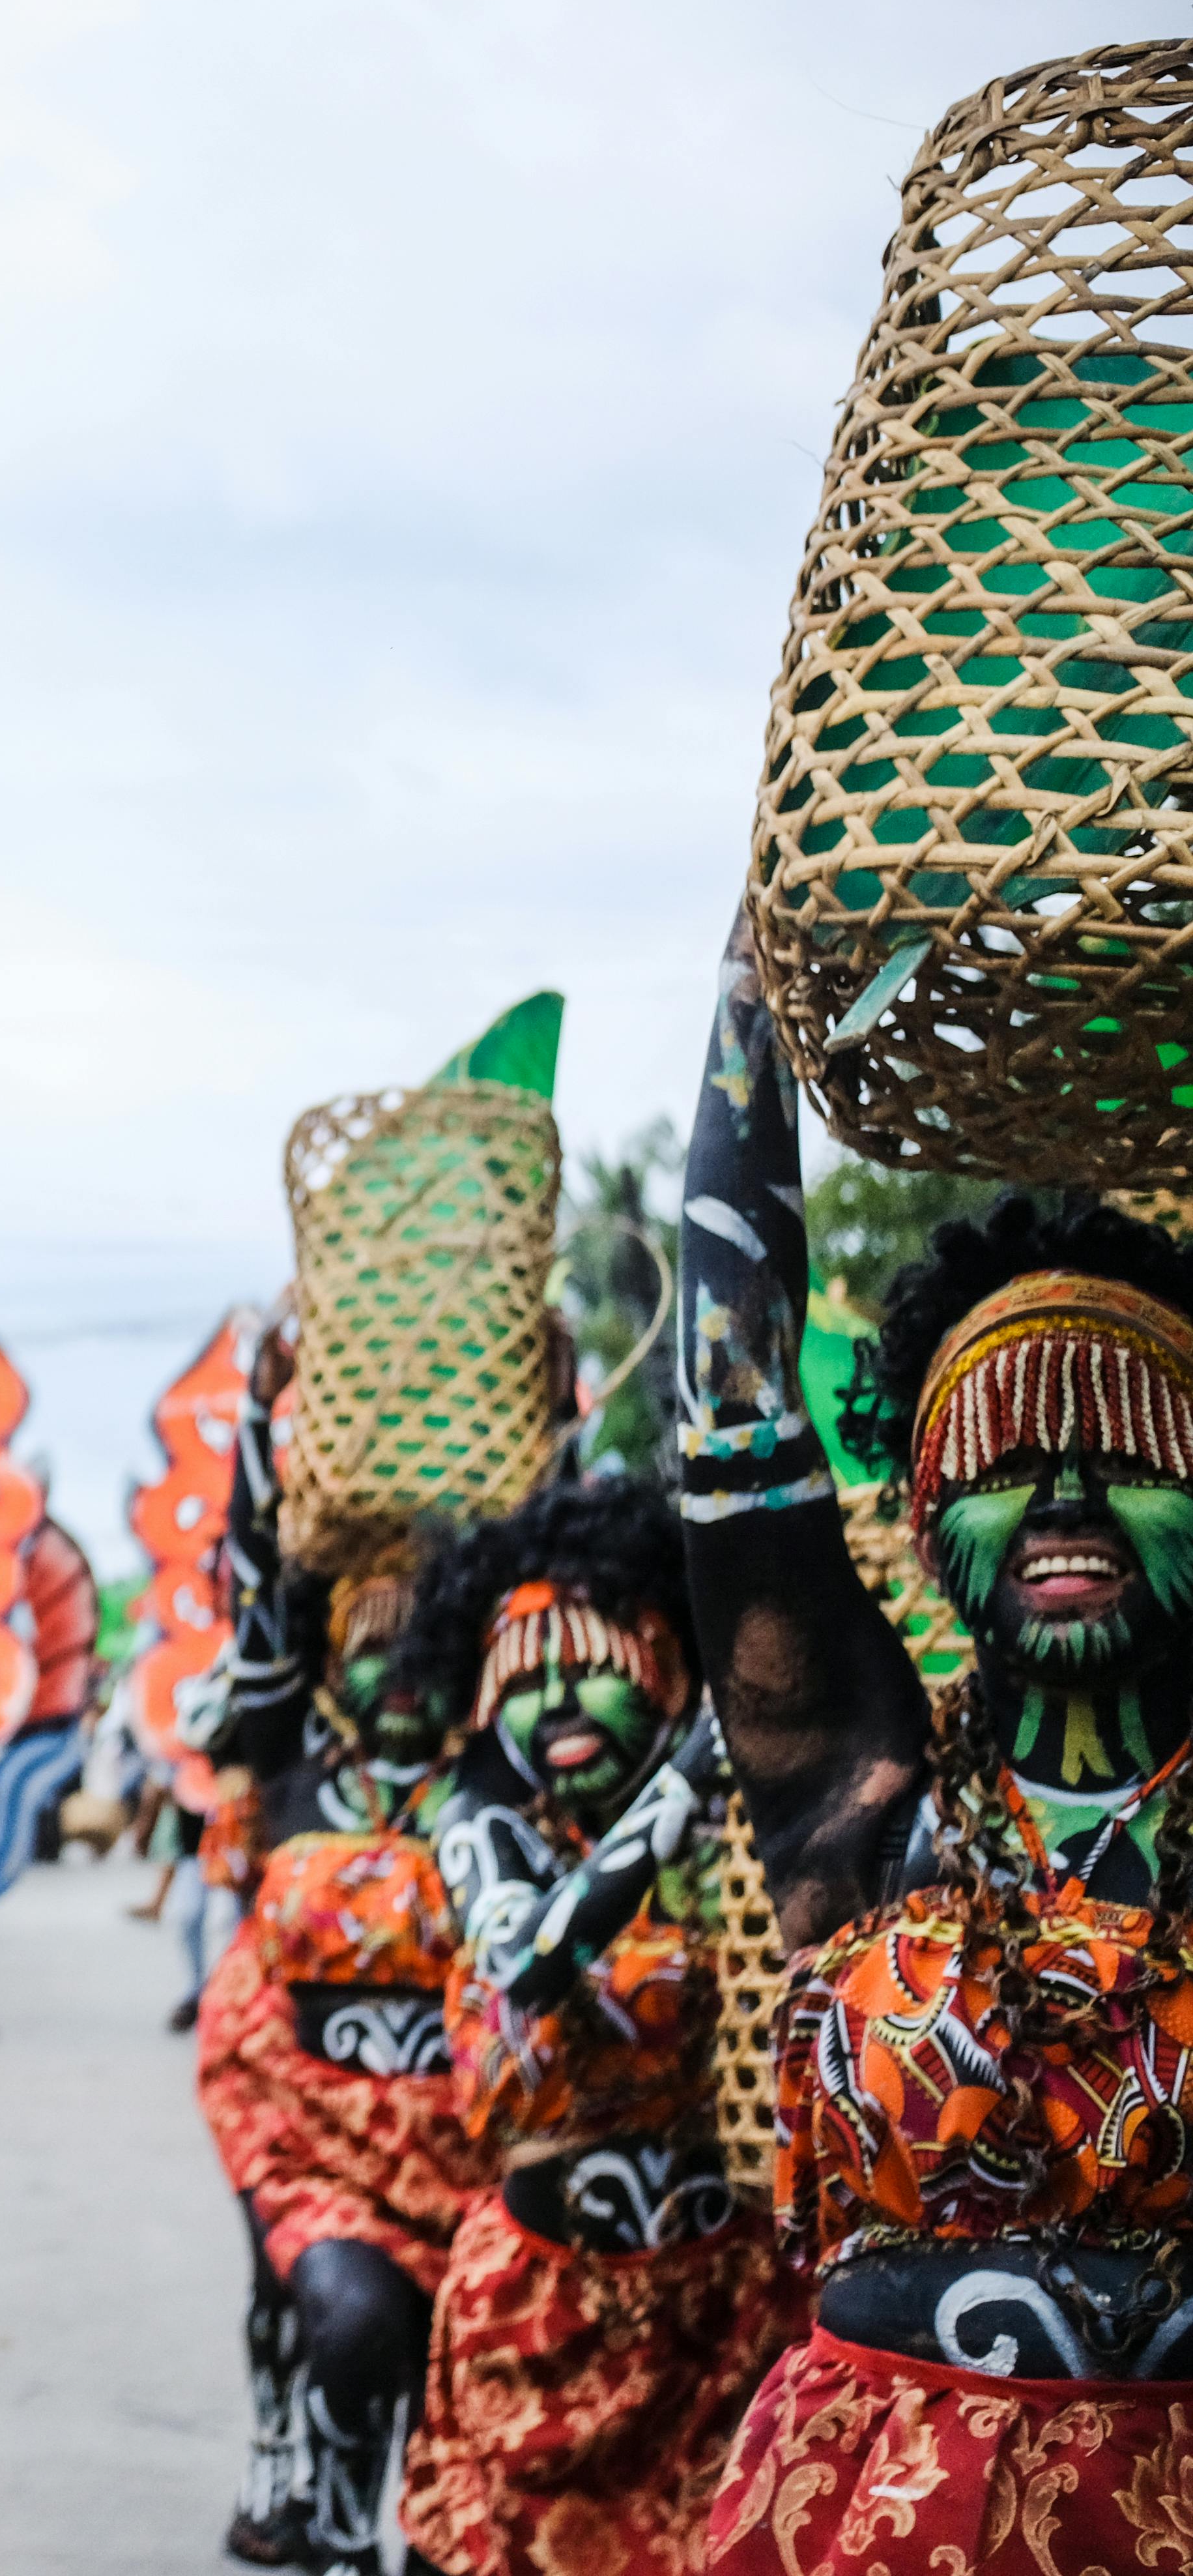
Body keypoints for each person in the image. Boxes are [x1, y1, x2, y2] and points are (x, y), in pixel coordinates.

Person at [674, 916, 1193, 2569]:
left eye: (1130, 1448)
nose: (1065, 1492)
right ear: (920, 1515)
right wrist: (758, 987)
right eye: (1005, 1452)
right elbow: (732, 1413)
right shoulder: (858, 1783)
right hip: (871, 2516)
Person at [395, 1480, 807, 2576]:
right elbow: (531, 1964)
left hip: (728, 2320)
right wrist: (688, 1772)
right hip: (540, 2319)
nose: (559, 1704)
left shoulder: (744, 1832)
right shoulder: (482, 1825)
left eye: (591, 1665)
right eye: (525, 1679)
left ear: (668, 1663)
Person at [188, 1324, 496, 2576]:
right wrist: (263, 1426)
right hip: (301, 2108)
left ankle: (408, 2515)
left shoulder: (501, 1782)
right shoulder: (290, 1765)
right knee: (333, 2306)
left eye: (426, 1652)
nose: (402, 1676)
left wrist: (561, 1412)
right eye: (374, 1648)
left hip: (465, 2128)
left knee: (448, 2356)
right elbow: (260, 1582)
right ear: (331, 1663)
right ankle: (307, 2494)